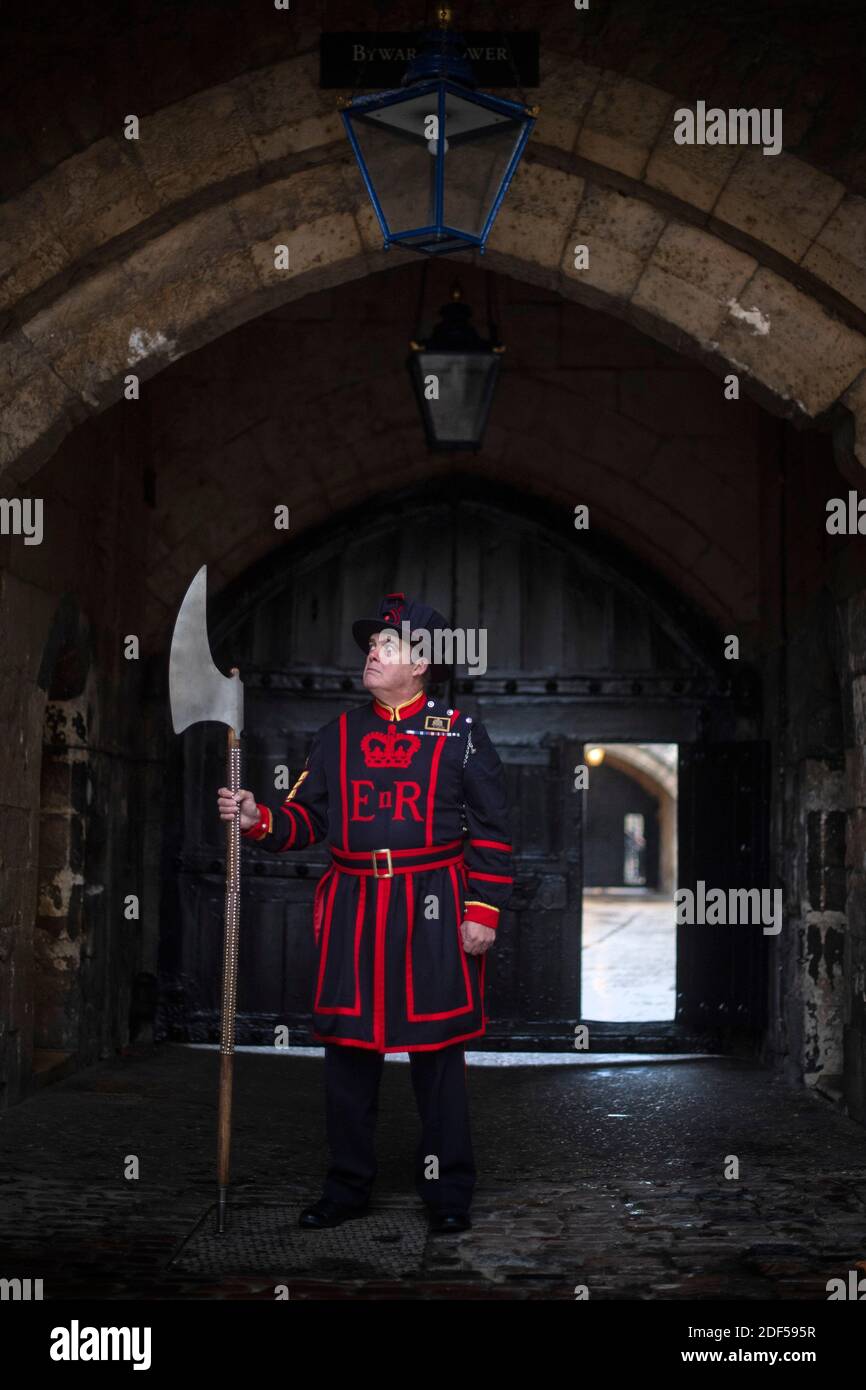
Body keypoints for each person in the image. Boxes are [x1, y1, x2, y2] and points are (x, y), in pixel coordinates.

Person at [217, 592, 514, 1233]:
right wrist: (258, 817)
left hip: (433, 904)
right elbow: (306, 819)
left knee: (438, 1055)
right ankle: (347, 1187)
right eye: (372, 645)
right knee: (349, 1055)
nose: (372, 654)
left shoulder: (461, 735)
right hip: (354, 905)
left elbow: (492, 831)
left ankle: (448, 1195)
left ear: (423, 661)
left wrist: (483, 910)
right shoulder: (337, 736)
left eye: (387, 645)